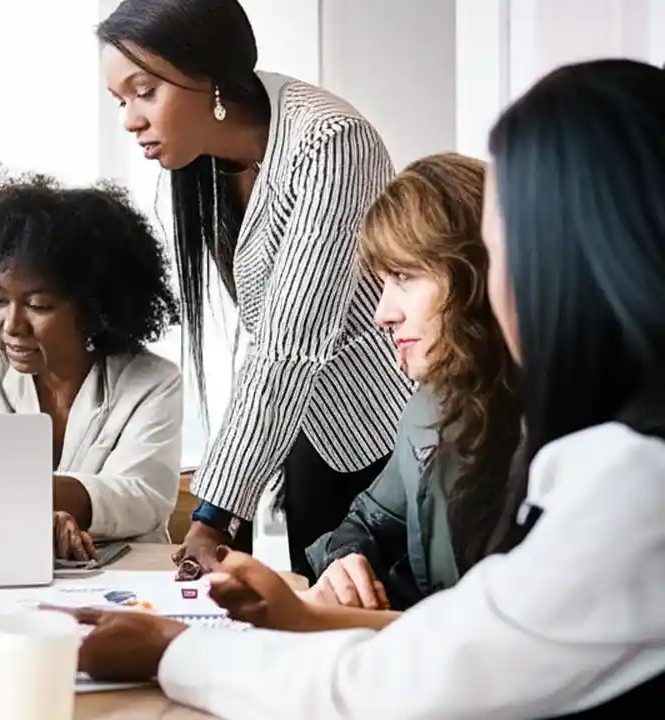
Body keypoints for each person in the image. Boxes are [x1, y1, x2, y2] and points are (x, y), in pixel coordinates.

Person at [73, 59, 665, 717]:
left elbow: (406, 688)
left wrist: (169, 650)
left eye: (507, 252)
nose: (383, 312)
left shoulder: (634, 482)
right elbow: (471, 632)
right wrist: (298, 612)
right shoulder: (574, 446)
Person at [98, 0, 412, 579]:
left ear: (208, 72)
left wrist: (216, 512)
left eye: (144, 92)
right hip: (308, 435)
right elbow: (265, 336)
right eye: (120, 100)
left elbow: (290, 343)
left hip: (384, 441)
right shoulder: (211, 160)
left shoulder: (330, 143)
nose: (129, 119)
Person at [298, 153, 522, 620]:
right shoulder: (430, 404)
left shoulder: (566, 423)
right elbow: (369, 519)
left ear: (477, 272)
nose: (383, 314)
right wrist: (346, 563)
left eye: (403, 277)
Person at [0, 175, 183, 560]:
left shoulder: (152, 382)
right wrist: (31, 507)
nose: (12, 325)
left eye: (38, 305)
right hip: (2, 575)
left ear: (94, 308)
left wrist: (15, 497)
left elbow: (143, 496)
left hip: (128, 581)